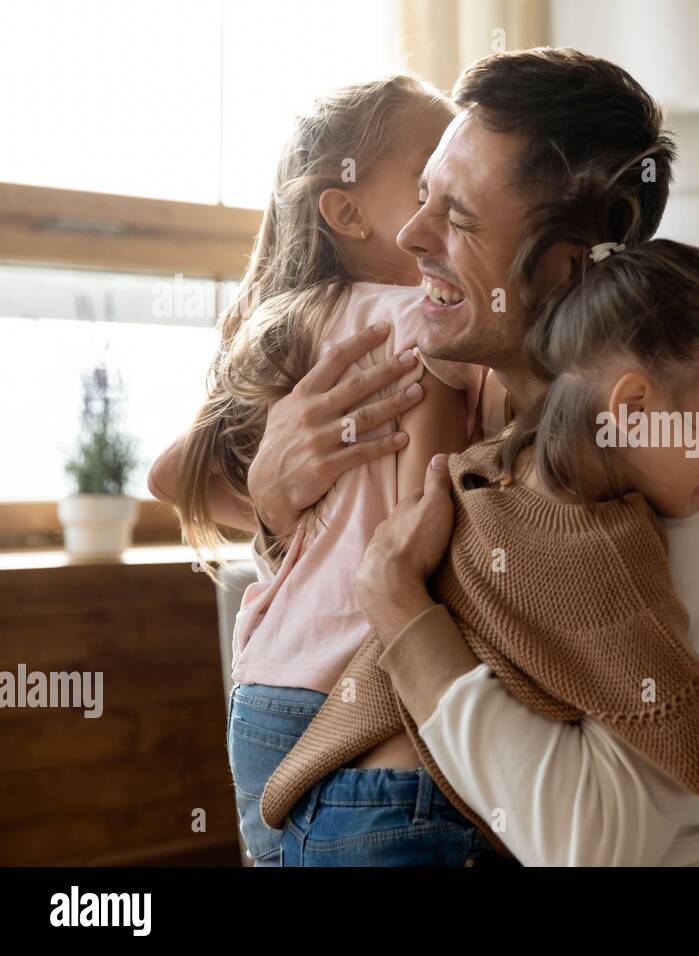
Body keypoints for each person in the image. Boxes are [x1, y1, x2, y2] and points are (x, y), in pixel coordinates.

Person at [160, 48, 699, 865]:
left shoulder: (690, 477)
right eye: (420, 196)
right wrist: (274, 506)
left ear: (570, 258)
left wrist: (400, 608)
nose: (414, 237)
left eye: (456, 216)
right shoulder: (445, 400)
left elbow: (593, 845)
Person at [260, 238, 699, 867]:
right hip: (415, 823)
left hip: (323, 800)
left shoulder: (483, 471)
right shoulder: (603, 553)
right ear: (634, 409)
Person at [150, 72, 491, 865]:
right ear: (346, 210)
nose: (447, 207)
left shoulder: (297, 320)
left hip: (263, 691)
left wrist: (287, 517)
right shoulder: (425, 320)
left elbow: (172, 475)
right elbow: (421, 530)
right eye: (427, 184)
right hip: (361, 697)